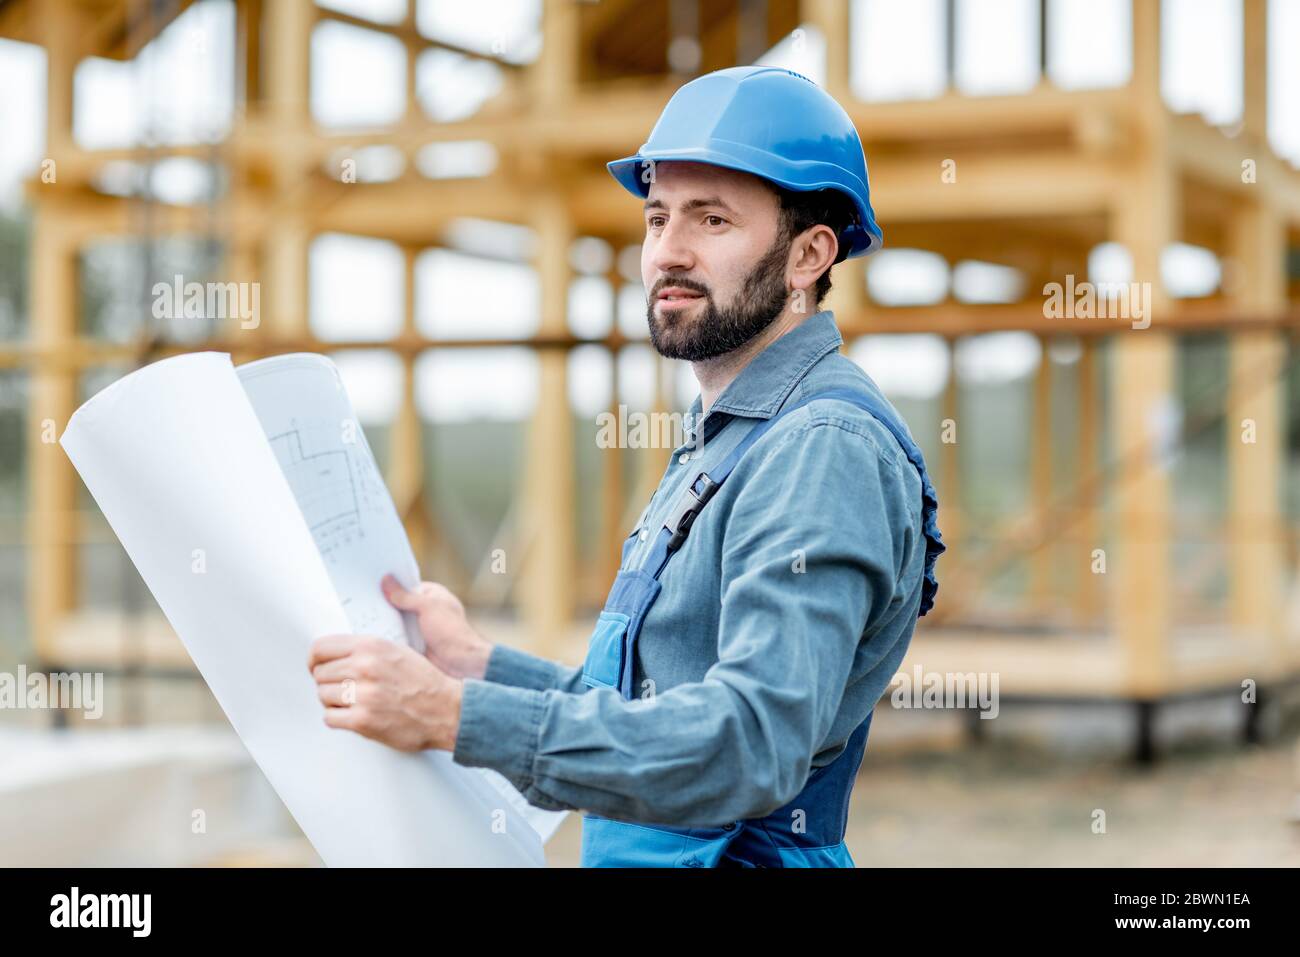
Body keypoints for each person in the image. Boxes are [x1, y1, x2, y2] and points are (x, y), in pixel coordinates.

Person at [308, 65, 945, 867]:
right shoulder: (734, 434)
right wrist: (475, 667)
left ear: (808, 255)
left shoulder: (820, 448)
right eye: (656, 218)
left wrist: (453, 715)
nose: (667, 254)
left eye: (712, 220)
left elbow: (750, 743)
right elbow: (656, 707)